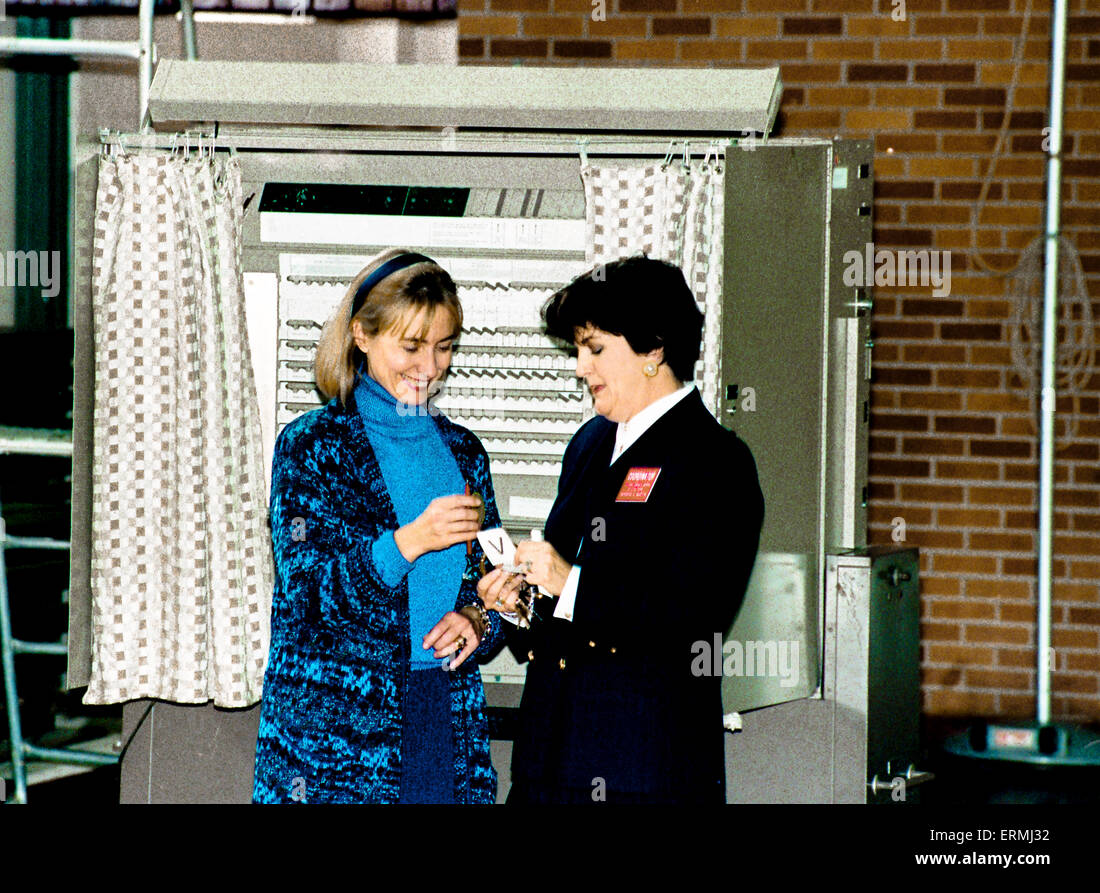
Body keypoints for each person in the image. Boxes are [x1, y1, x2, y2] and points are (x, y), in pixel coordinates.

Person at [480, 255, 765, 804]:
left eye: (595, 349)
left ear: (654, 348)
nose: (580, 368)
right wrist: (518, 603)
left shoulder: (715, 461)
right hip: (550, 760)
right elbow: (563, 614)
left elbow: (692, 619)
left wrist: (570, 582)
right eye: (578, 350)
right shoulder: (589, 445)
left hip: (644, 767)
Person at [252, 248, 506, 804]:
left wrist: (479, 619)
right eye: (411, 346)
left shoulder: (463, 452)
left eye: (444, 347)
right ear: (362, 336)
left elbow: (498, 584)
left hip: (443, 714)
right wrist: (410, 541)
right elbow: (307, 595)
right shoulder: (313, 446)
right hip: (334, 736)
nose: (430, 366)